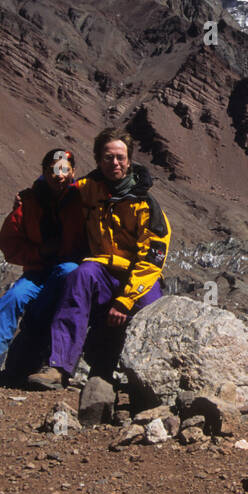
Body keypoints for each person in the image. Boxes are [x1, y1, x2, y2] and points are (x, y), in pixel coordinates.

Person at [27, 128, 171, 391]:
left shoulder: (146, 204)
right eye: (107, 157)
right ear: (98, 159)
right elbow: (56, 187)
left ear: (129, 160)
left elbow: (152, 259)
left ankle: (149, 384)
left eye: (119, 157)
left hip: (138, 276)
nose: (114, 163)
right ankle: (58, 366)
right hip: (102, 269)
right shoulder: (87, 189)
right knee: (79, 275)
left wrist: (125, 300)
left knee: (152, 313)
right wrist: (35, 190)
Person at [0, 148, 86, 384]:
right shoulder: (29, 202)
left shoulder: (83, 197)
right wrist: (37, 253)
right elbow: (9, 242)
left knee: (69, 271)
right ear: (44, 172)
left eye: (63, 169)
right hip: (38, 271)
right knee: (13, 298)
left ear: (73, 172)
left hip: (68, 268)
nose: (58, 175)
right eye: (52, 170)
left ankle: (57, 362)